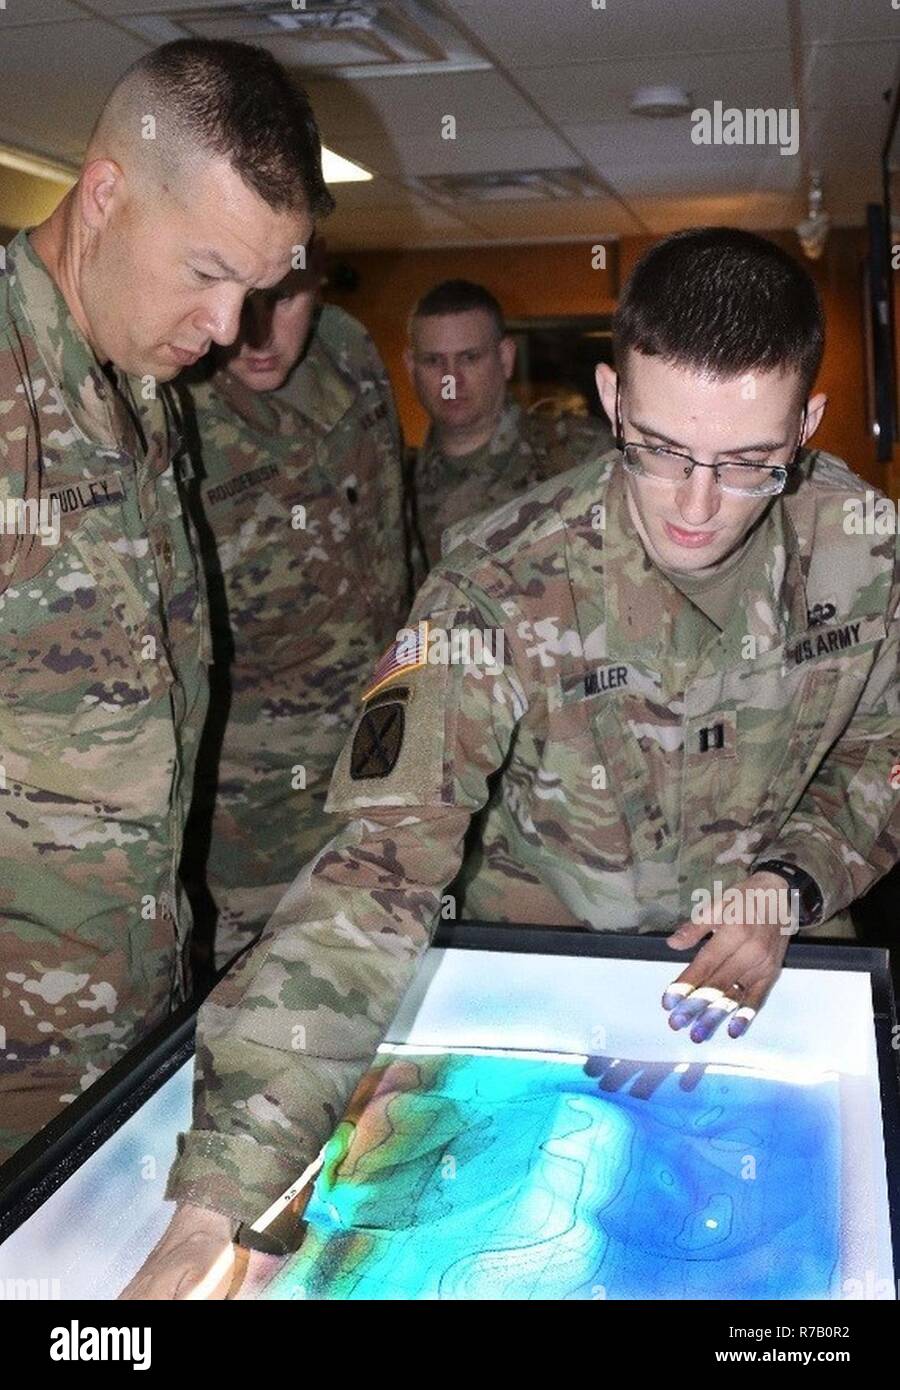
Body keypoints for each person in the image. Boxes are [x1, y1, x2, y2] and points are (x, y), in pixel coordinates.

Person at [124, 228, 899, 1299]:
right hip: (541, 975)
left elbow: (884, 756)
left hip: (770, 987)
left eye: (746, 464)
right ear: (612, 398)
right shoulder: (493, 583)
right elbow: (377, 873)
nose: (695, 503)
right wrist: (225, 1194)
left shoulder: (866, 551)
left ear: (806, 428)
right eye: (663, 448)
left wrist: (792, 880)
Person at [0, 37, 332, 1162]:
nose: (232, 330)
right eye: (208, 272)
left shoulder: (143, 391)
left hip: (132, 1017)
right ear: (105, 194)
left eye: (261, 288)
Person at [178, 239, 409, 974]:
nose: (253, 331)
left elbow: (395, 535)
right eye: (236, 294)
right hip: (255, 825)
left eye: (282, 297)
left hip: (387, 777)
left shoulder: (349, 352)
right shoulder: (174, 403)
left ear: (318, 282)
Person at [405, 279, 614, 578]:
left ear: (505, 358)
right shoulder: (391, 487)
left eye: (469, 358)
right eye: (433, 361)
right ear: (411, 368)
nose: (451, 380)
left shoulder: (580, 455)